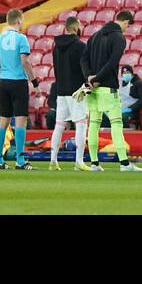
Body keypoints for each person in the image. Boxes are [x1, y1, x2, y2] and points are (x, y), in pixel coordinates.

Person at [80, 10, 142, 172]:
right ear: (125, 22)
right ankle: (124, 163)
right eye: (128, 26)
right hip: (107, 87)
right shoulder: (119, 38)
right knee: (116, 123)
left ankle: (94, 163)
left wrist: (90, 78)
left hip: (92, 89)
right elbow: (112, 63)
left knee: (94, 124)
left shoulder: (94, 36)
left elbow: (83, 59)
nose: (127, 29)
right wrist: (97, 79)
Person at [0, 8, 37, 170]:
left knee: (3, 121)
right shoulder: (21, 38)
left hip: (4, 82)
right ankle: (20, 160)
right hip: (18, 82)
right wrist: (35, 82)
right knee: (20, 121)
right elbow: (24, 62)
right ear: (18, 20)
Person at [48, 16, 88, 170]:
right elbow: (85, 70)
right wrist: (86, 89)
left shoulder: (56, 47)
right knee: (81, 124)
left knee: (59, 125)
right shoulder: (80, 46)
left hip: (61, 90)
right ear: (76, 26)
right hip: (77, 91)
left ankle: (53, 160)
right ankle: (79, 161)